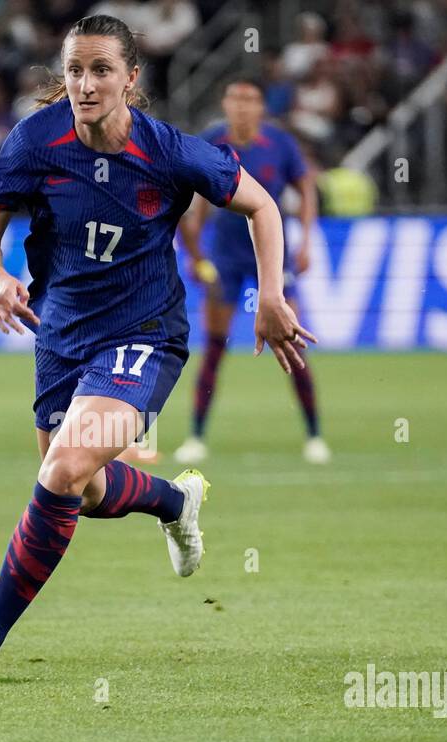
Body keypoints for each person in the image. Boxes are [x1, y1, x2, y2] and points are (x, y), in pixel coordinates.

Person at [0, 15, 313, 679]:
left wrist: (270, 296)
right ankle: (175, 503)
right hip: (60, 339)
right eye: (75, 71)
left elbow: (263, 205)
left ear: (130, 79)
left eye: (100, 71)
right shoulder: (35, 140)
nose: (85, 85)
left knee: (60, 471)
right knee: (80, 489)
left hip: (144, 337)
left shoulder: (170, 151)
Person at [174, 76, 330, 466]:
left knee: (292, 342)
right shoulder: (210, 140)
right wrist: (195, 255)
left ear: (261, 107)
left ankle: (313, 435)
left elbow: (306, 185)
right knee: (214, 347)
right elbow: (189, 200)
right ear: (225, 105)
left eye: (250, 99)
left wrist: (308, 238)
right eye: (235, 98)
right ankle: (196, 435)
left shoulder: (279, 144)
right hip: (225, 257)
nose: (242, 106)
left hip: (272, 259)